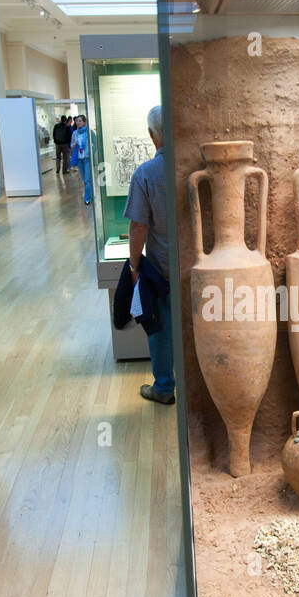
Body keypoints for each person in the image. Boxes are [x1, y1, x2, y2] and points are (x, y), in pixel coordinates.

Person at [125, 105, 174, 404]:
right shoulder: (189, 167)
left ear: (152, 135)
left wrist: (134, 267)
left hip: (161, 267)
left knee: (159, 325)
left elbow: (138, 226)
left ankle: (165, 387)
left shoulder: (145, 173)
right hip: (198, 267)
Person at [71, 114, 93, 206]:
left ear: (84, 122)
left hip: (87, 158)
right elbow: (71, 145)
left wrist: (91, 153)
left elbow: (95, 144)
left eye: (80, 121)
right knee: (84, 179)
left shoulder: (89, 132)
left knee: (88, 179)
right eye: (77, 121)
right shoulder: (75, 133)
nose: (78, 122)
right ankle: (90, 194)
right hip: (79, 159)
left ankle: (87, 198)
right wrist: (74, 144)